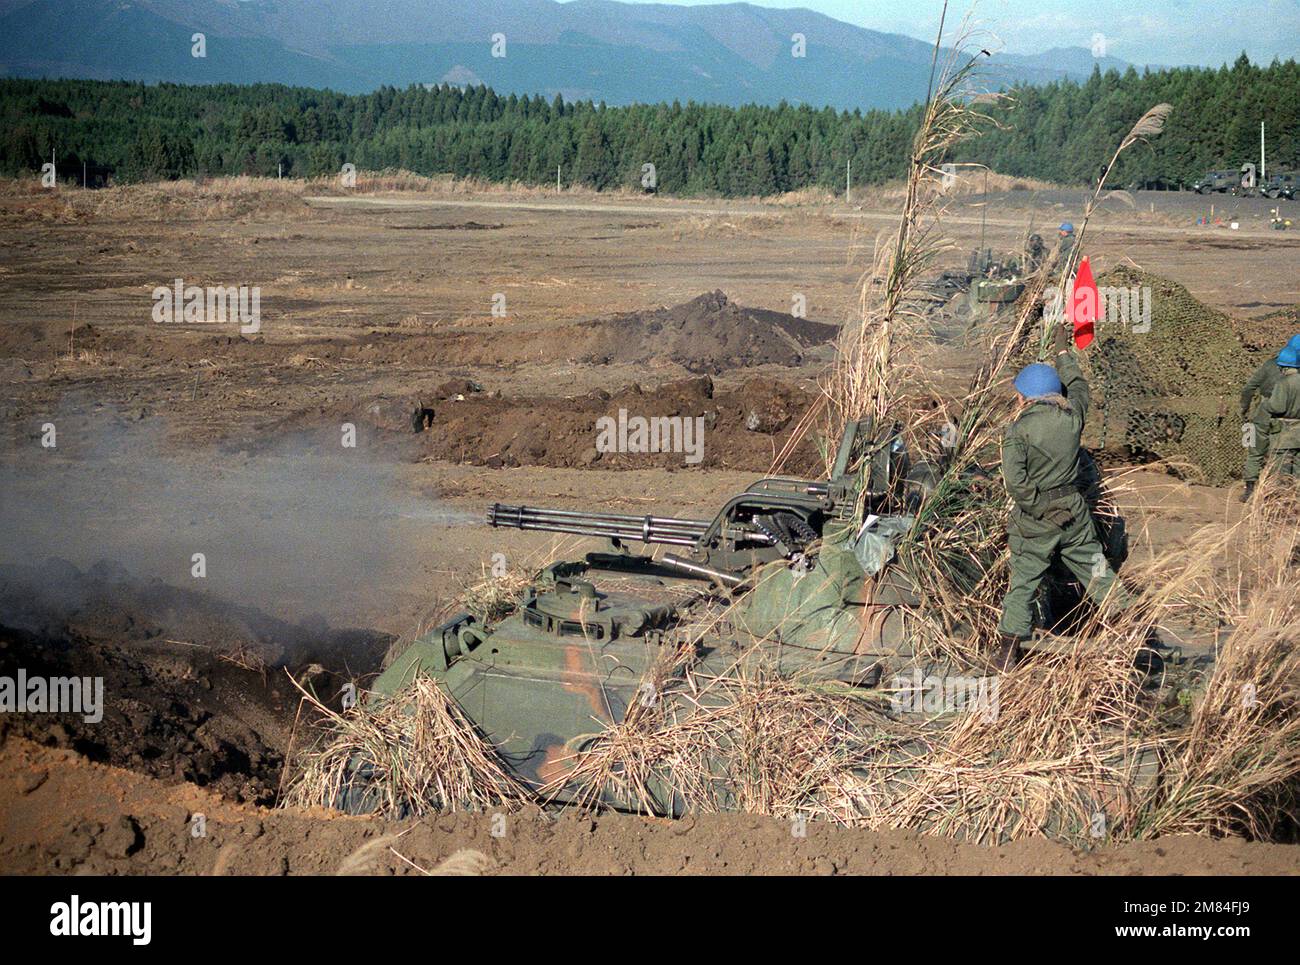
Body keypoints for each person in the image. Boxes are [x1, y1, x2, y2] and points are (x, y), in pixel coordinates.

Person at [996, 321, 1129, 668]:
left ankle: (1007, 655)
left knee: (1023, 580)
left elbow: (1017, 483)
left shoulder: (1018, 431)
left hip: (1036, 518)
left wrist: (1040, 508)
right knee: (1095, 568)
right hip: (1074, 511)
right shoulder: (1073, 417)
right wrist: (1062, 351)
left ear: (1024, 397)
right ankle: (1128, 625)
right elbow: (1080, 386)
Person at [1241, 333, 1300, 500]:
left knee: (1254, 450)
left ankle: (1250, 489)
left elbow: (1249, 388)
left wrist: (1244, 409)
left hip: (1262, 414)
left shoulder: (1270, 364)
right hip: (1288, 422)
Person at [1261, 342, 1300, 479]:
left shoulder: (1283, 383)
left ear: (1283, 367)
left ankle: (1282, 499)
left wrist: (1265, 403)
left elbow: (1277, 407)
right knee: (1297, 475)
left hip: (1285, 435)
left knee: (1280, 473)